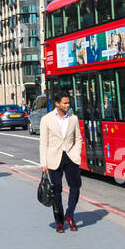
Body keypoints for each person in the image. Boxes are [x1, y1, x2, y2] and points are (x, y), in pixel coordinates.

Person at [40, 91, 83, 233]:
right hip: (54, 158)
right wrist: (43, 163)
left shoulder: (73, 119)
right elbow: (43, 142)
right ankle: (59, 221)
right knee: (56, 190)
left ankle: (69, 215)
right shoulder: (46, 119)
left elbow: (78, 138)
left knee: (75, 187)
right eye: (65, 103)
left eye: (68, 102)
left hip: (71, 157)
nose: (68, 105)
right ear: (57, 104)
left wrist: (76, 153)